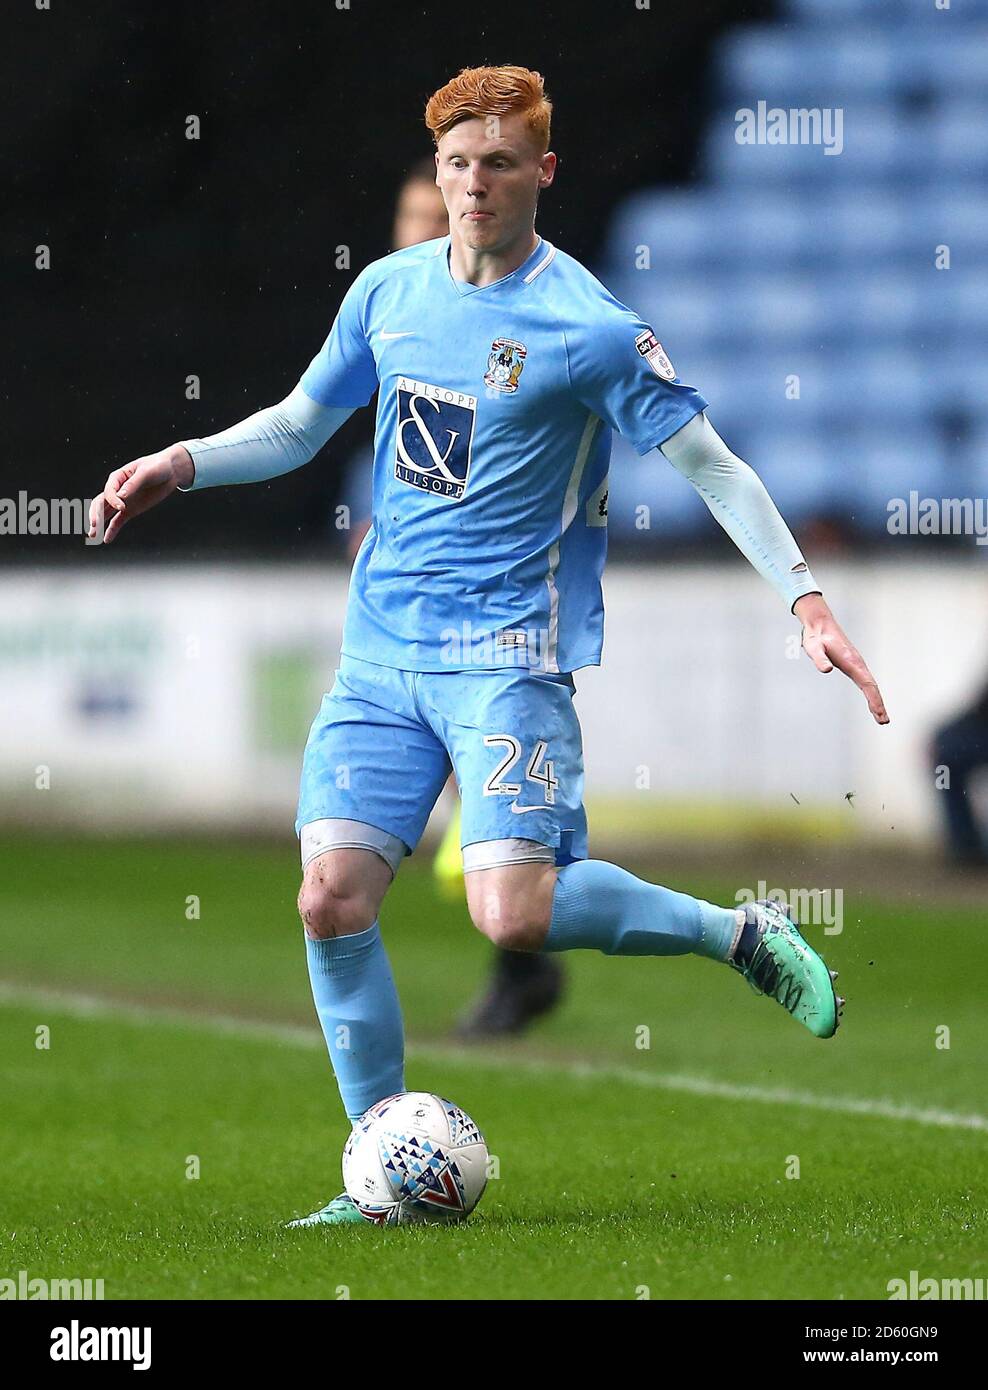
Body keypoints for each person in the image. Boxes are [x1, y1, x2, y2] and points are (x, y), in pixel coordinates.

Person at [89, 65, 889, 1227]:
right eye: (458, 164)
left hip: (510, 657)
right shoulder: (387, 293)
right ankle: (377, 1183)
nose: (474, 184)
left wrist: (806, 602)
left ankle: (735, 934)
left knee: (512, 914)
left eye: (499, 163)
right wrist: (183, 459)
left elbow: (709, 461)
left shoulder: (590, 329)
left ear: (541, 173)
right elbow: (306, 422)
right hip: (379, 658)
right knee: (328, 898)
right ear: (439, 172)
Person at [338, 157, 566, 1038]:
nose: (414, 231)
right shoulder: (393, 317)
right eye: (404, 214)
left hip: (500, 628)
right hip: (409, 623)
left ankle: (526, 960)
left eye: (425, 215)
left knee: (499, 830)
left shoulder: (517, 329)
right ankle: (523, 963)